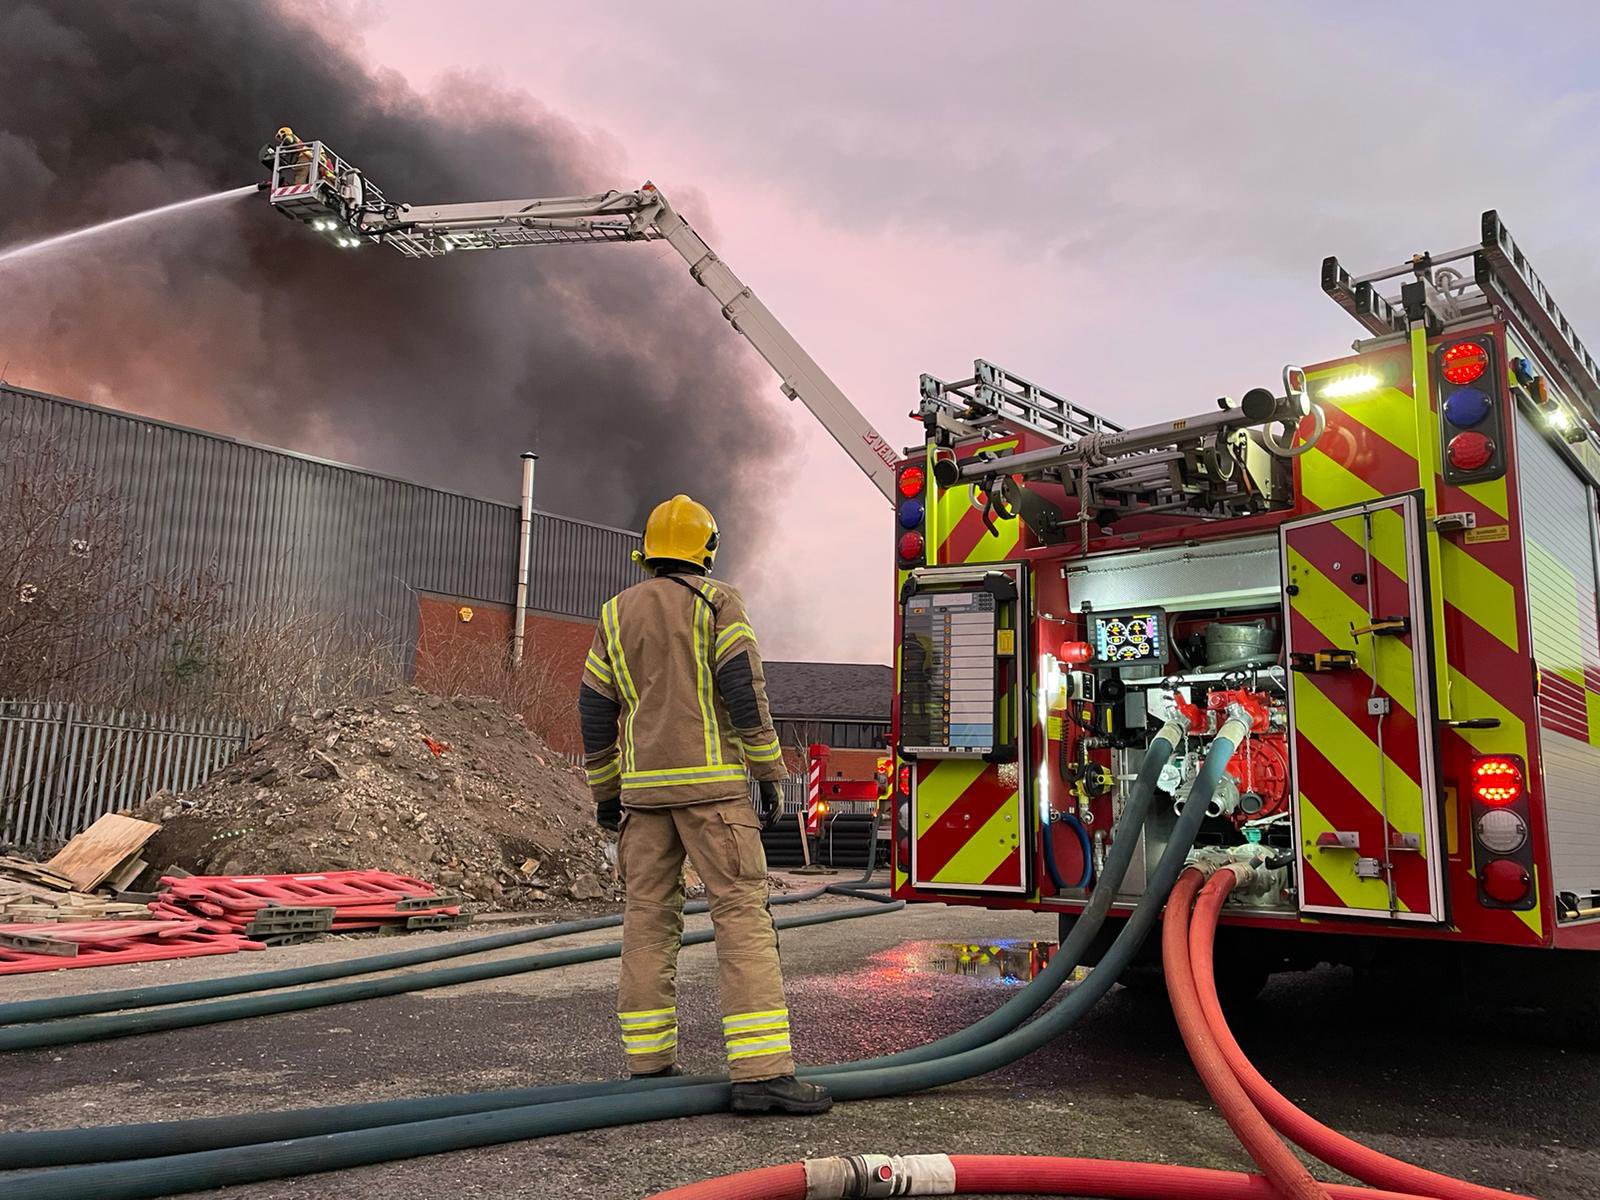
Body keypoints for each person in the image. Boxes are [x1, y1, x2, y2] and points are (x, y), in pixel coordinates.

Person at [578, 494, 832, 1115]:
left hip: (643, 801)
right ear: (706, 549)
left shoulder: (615, 613)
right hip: (714, 797)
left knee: (646, 921)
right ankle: (763, 1073)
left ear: (650, 553)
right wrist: (770, 770)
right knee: (742, 917)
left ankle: (648, 1062)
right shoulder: (717, 602)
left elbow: (593, 711)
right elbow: (742, 689)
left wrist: (608, 798)